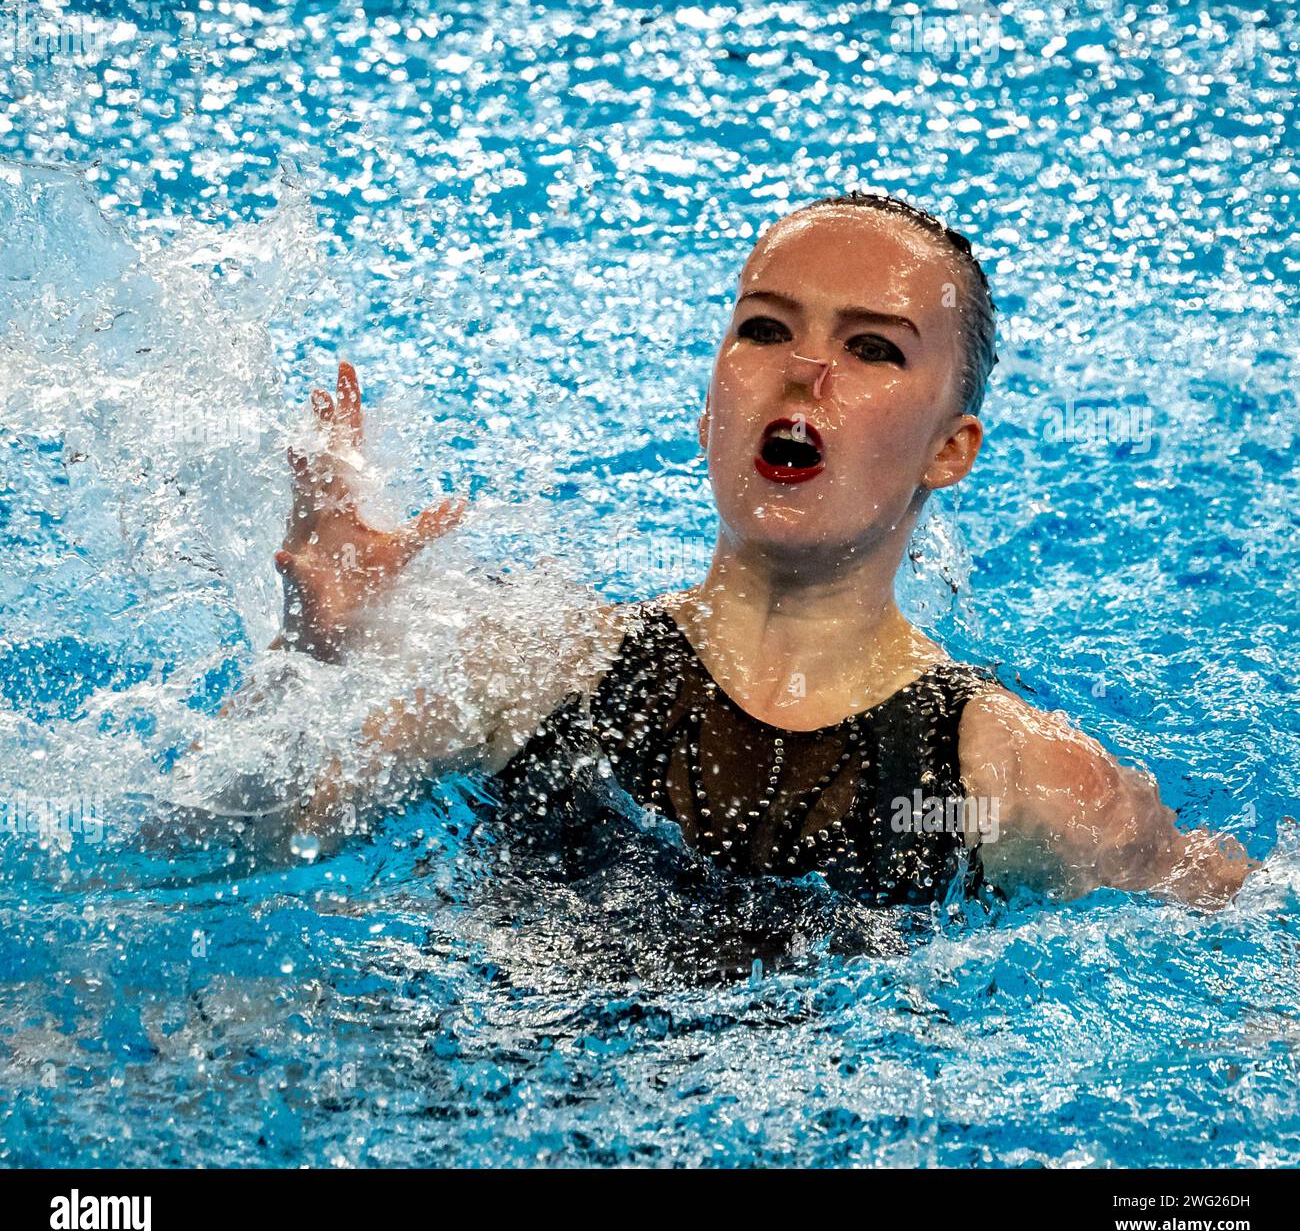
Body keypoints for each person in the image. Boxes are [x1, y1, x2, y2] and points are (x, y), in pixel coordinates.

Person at [255, 191, 1257, 910]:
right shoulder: (529, 679)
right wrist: (308, 656)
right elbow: (202, 847)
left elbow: (1250, 927)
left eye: (873, 348)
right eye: (766, 329)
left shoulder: (1011, 777)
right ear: (710, 409)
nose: (808, 369)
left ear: (948, 452)